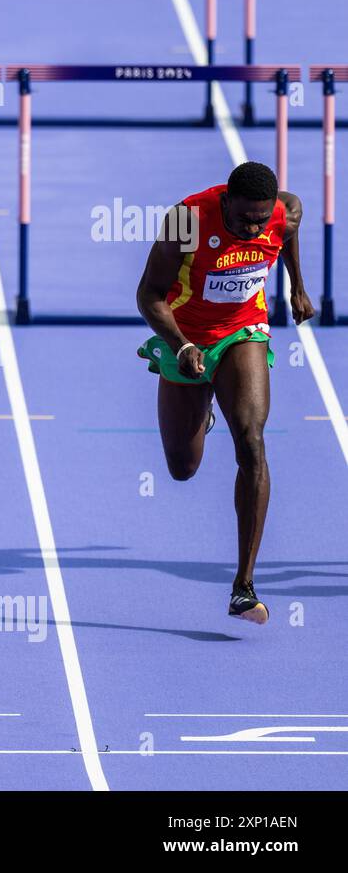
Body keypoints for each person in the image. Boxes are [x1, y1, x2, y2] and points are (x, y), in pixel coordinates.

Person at [135, 161, 314, 623]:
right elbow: (149, 295)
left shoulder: (284, 212)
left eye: (261, 220)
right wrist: (183, 345)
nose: (254, 229)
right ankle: (204, 405)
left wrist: (297, 286)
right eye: (244, 220)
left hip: (243, 331)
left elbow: (287, 234)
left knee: (252, 443)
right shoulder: (186, 221)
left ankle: (243, 585)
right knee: (182, 467)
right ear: (225, 201)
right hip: (186, 333)